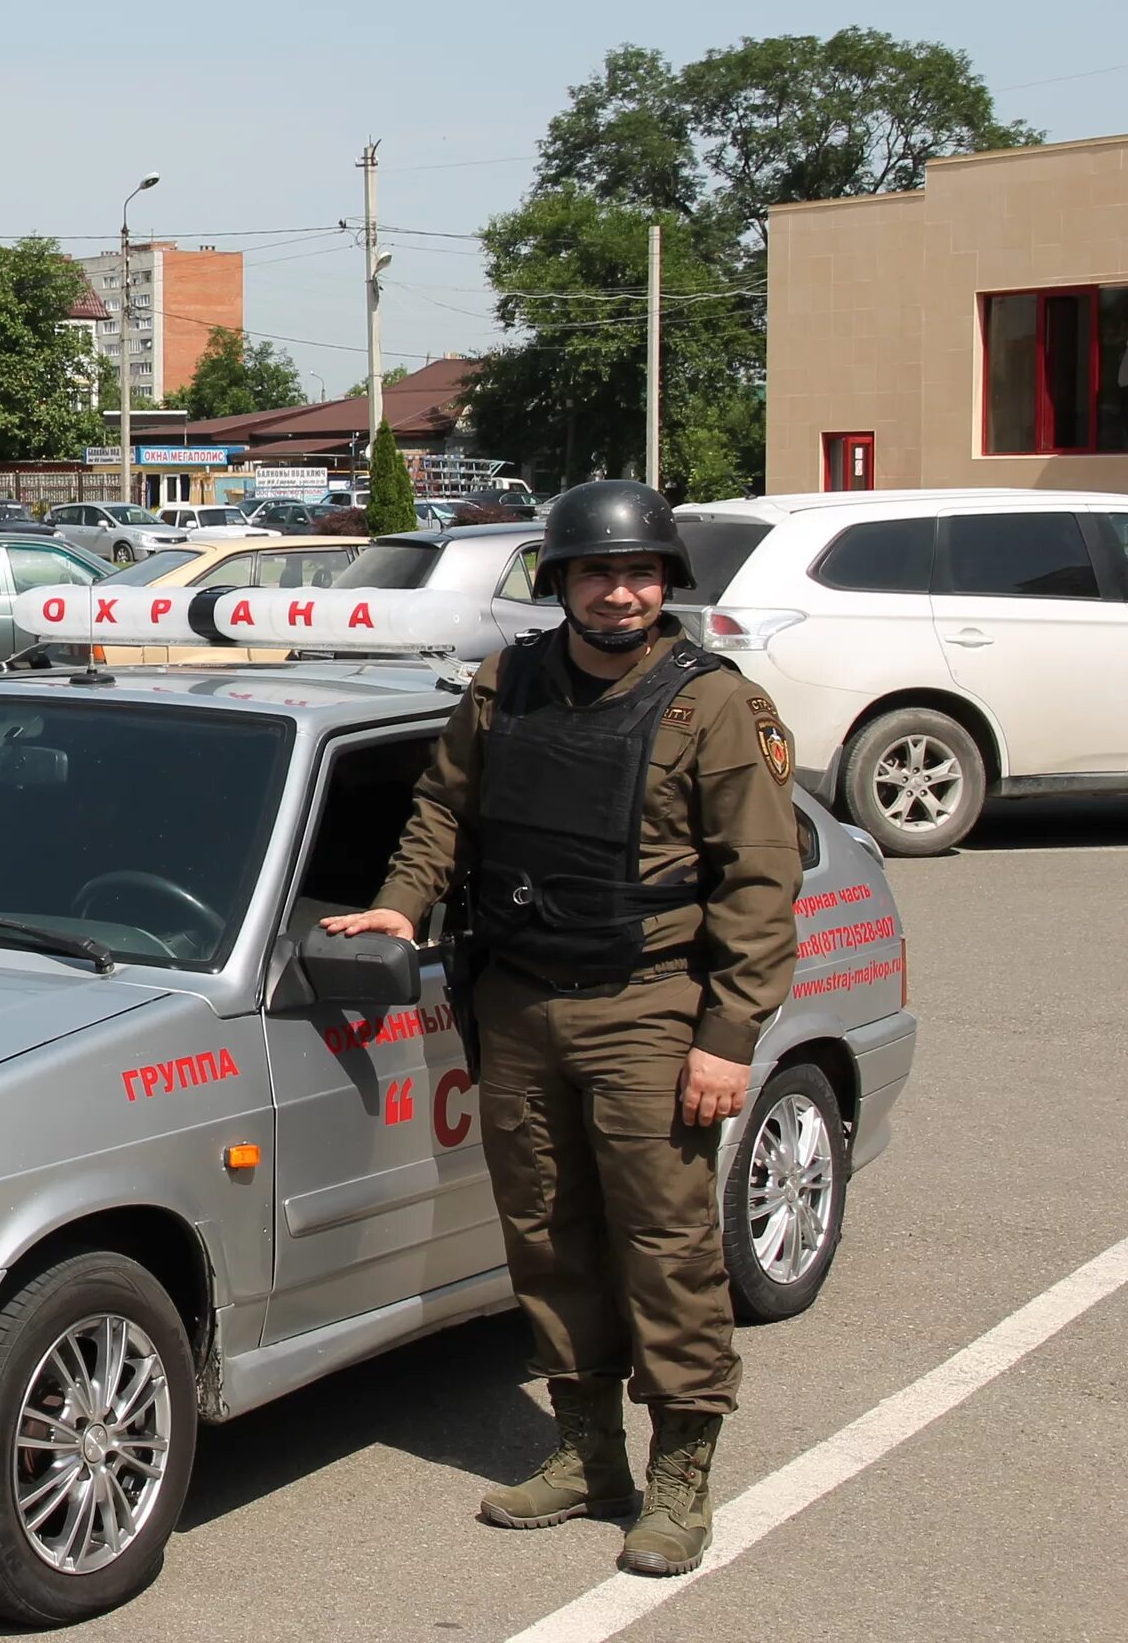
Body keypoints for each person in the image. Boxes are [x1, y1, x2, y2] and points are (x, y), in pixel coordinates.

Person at [319, 479, 802, 1579]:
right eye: (597, 571)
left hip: (648, 1006)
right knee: (542, 1228)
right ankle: (589, 1452)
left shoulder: (712, 703)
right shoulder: (510, 680)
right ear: (561, 583)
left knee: (667, 1245)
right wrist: (403, 898)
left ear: (666, 582)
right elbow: (445, 806)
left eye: (639, 573)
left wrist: (727, 1035)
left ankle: (681, 1469)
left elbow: (760, 881)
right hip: (519, 1000)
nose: (620, 591)